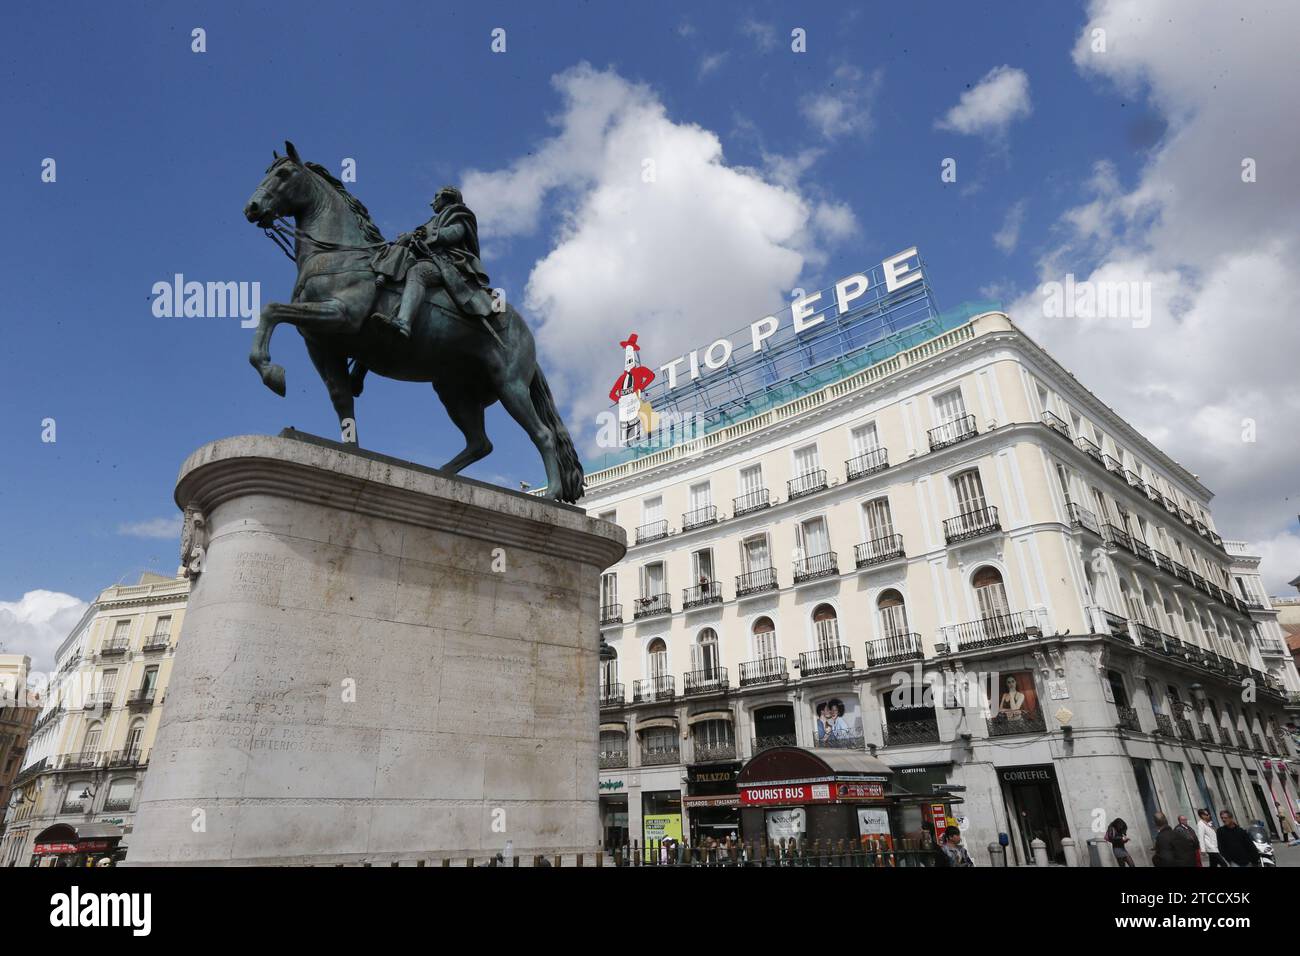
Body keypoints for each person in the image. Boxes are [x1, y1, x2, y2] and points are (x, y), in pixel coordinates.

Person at [371, 185, 494, 338]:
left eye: (436, 197)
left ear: (448, 197)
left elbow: (453, 234)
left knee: (418, 272)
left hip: (446, 264)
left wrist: (418, 236)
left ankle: (403, 322)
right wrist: (409, 239)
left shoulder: (459, 216)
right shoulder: (433, 220)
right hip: (426, 258)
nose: (432, 202)